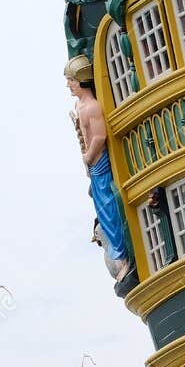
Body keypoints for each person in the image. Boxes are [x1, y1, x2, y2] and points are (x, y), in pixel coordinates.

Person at [66, 56, 132, 283]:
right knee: (99, 204)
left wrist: (88, 156)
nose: (68, 85)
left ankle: (120, 254)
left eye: (71, 81)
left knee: (107, 205)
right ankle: (115, 251)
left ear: (80, 81)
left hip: (99, 162)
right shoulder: (80, 106)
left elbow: (100, 137)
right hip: (92, 166)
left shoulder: (92, 107)